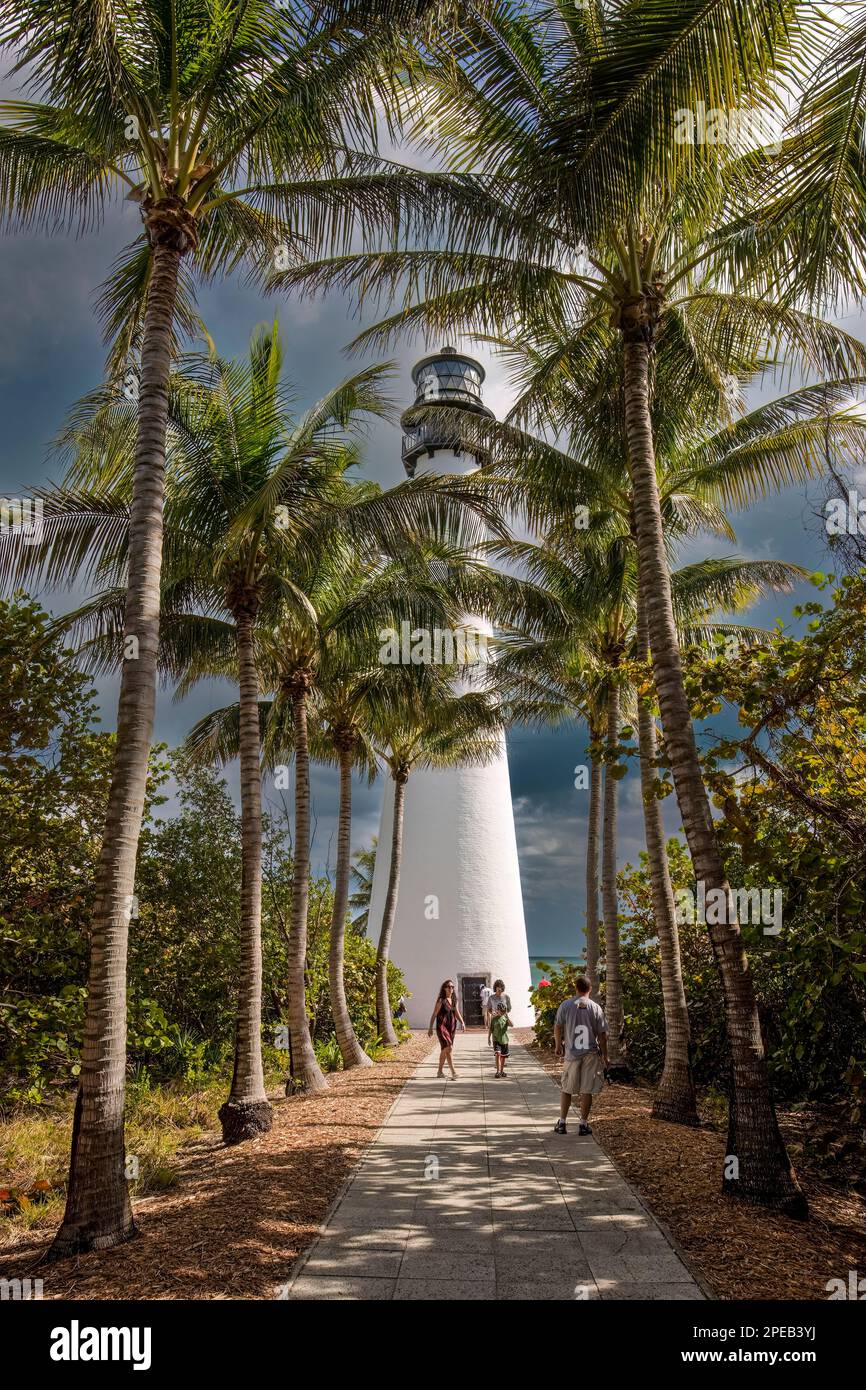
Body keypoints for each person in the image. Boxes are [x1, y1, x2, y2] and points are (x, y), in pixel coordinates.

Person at [553, 976, 609, 1135]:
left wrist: (558, 1045)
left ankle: (562, 1123)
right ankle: (583, 1124)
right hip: (590, 1054)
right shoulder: (595, 1007)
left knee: (567, 1089)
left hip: (572, 1054)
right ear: (589, 989)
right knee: (586, 1090)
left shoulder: (566, 1005)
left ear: (576, 988)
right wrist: (605, 1056)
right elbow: (602, 1035)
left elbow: (557, 1027)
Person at [428, 979, 465, 1079]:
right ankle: (454, 1072)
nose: (451, 989)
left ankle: (439, 1072)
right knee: (449, 1048)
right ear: (444, 988)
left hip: (451, 1027)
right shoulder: (441, 1000)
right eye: (449, 987)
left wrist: (462, 1022)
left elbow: (456, 1012)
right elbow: (434, 1014)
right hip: (442, 1027)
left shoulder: (454, 999)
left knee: (446, 1049)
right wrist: (430, 1028)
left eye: (452, 987)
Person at [486, 979, 512, 1078]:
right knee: (497, 1052)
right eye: (497, 990)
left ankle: (501, 1070)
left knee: (503, 1050)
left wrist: (503, 1013)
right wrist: (492, 1013)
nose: (499, 992)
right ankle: (498, 1071)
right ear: (495, 989)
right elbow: (488, 1008)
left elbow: (509, 1008)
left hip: (503, 1021)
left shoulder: (506, 997)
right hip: (494, 1021)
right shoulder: (491, 998)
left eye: (501, 990)